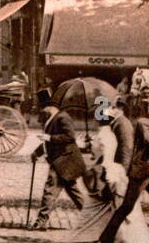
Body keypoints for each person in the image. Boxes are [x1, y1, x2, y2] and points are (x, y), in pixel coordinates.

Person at [31, 89, 106, 231]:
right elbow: (48, 142)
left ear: (49, 107)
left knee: (50, 190)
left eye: (43, 108)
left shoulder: (62, 118)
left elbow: (70, 137)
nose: (42, 111)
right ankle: (92, 216)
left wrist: (50, 138)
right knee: (73, 191)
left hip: (65, 161)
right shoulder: (51, 119)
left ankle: (41, 221)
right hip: (62, 161)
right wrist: (37, 152)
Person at [99, 88, 149, 243]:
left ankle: (106, 240)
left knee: (126, 206)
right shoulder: (143, 122)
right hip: (141, 171)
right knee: (127, 207)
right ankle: (107, 240)